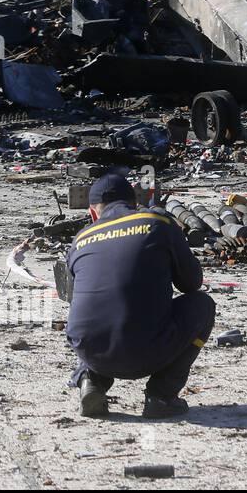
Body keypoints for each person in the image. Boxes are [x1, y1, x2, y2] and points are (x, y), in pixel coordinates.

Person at [65, 174, 215, 419]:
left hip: (91, 351)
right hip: (147, 351)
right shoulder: (157, 222)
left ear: (93, 213)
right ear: (134, 204)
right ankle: (161, 395)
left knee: (96, 311)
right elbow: (192, 284)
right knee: (202, 305)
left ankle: (89, 381)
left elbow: (77, 297)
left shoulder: (80, 239)